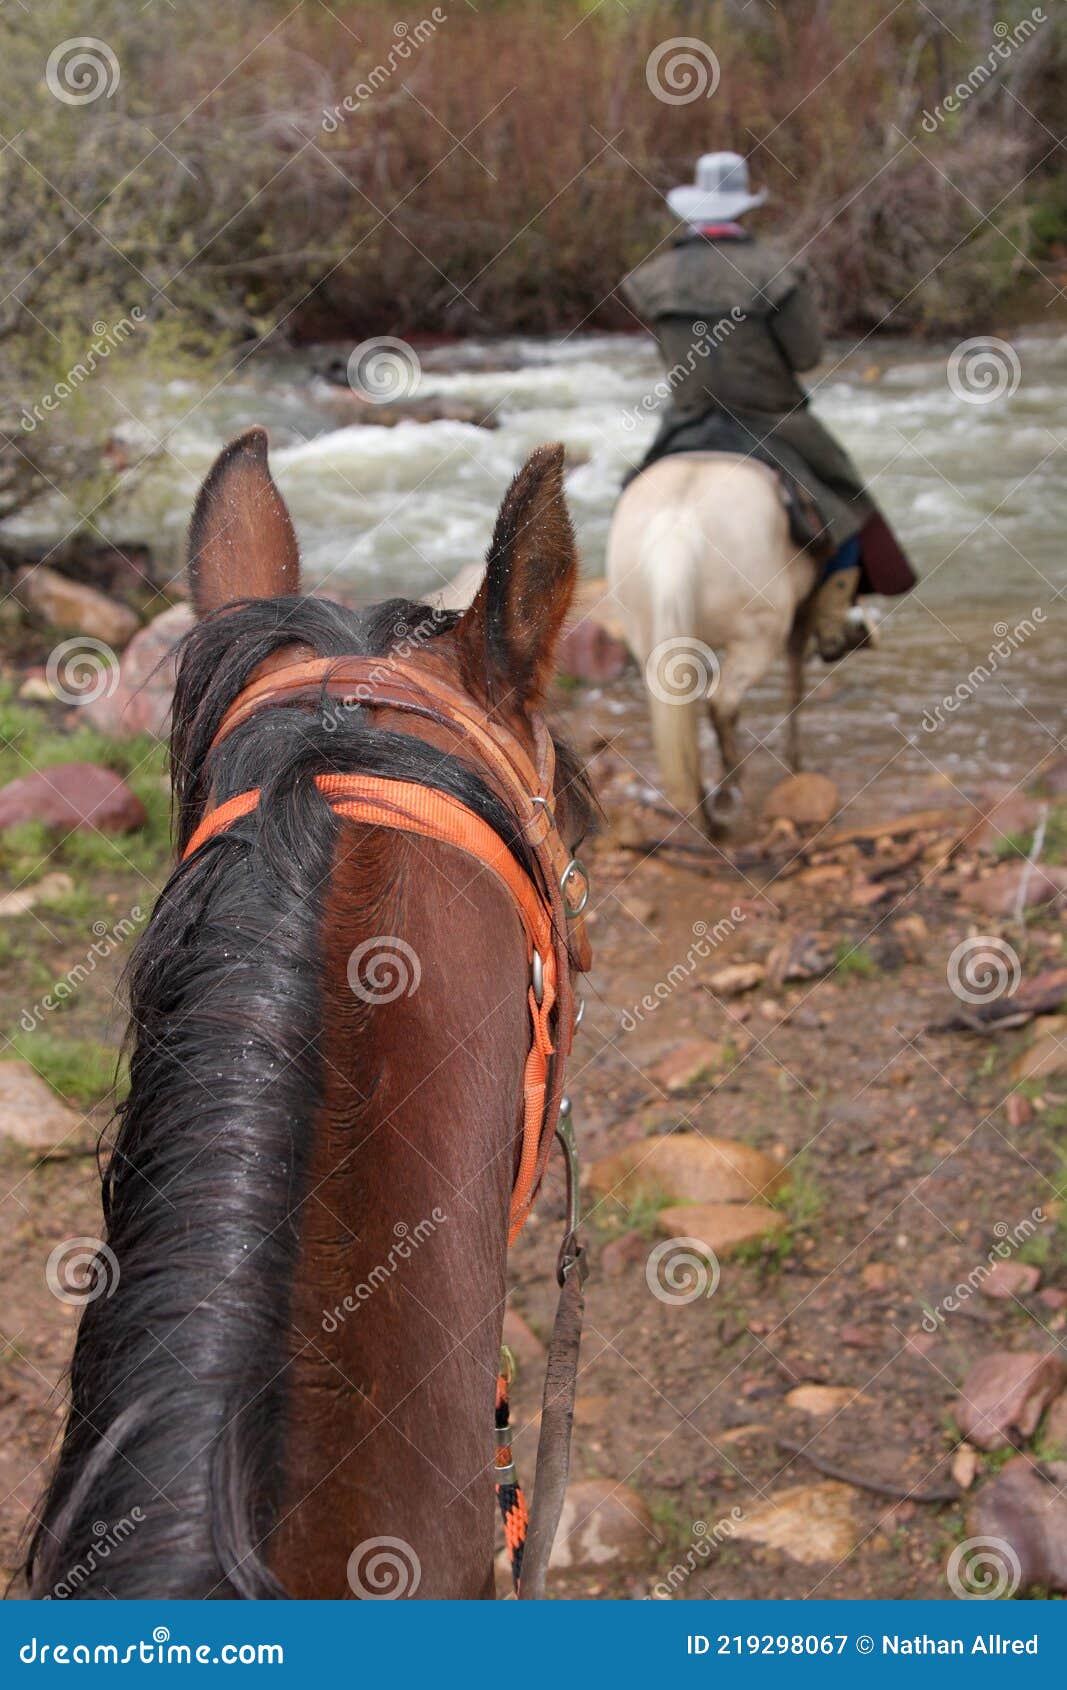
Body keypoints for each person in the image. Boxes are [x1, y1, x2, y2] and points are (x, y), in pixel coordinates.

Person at [621, 152, 915, 659]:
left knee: (633, 496)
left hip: (688, 419)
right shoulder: (777, 271)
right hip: (770, 421)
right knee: (845, 502)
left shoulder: (655, 278)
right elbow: (806, 355)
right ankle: (832, 622)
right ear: (744, 209)